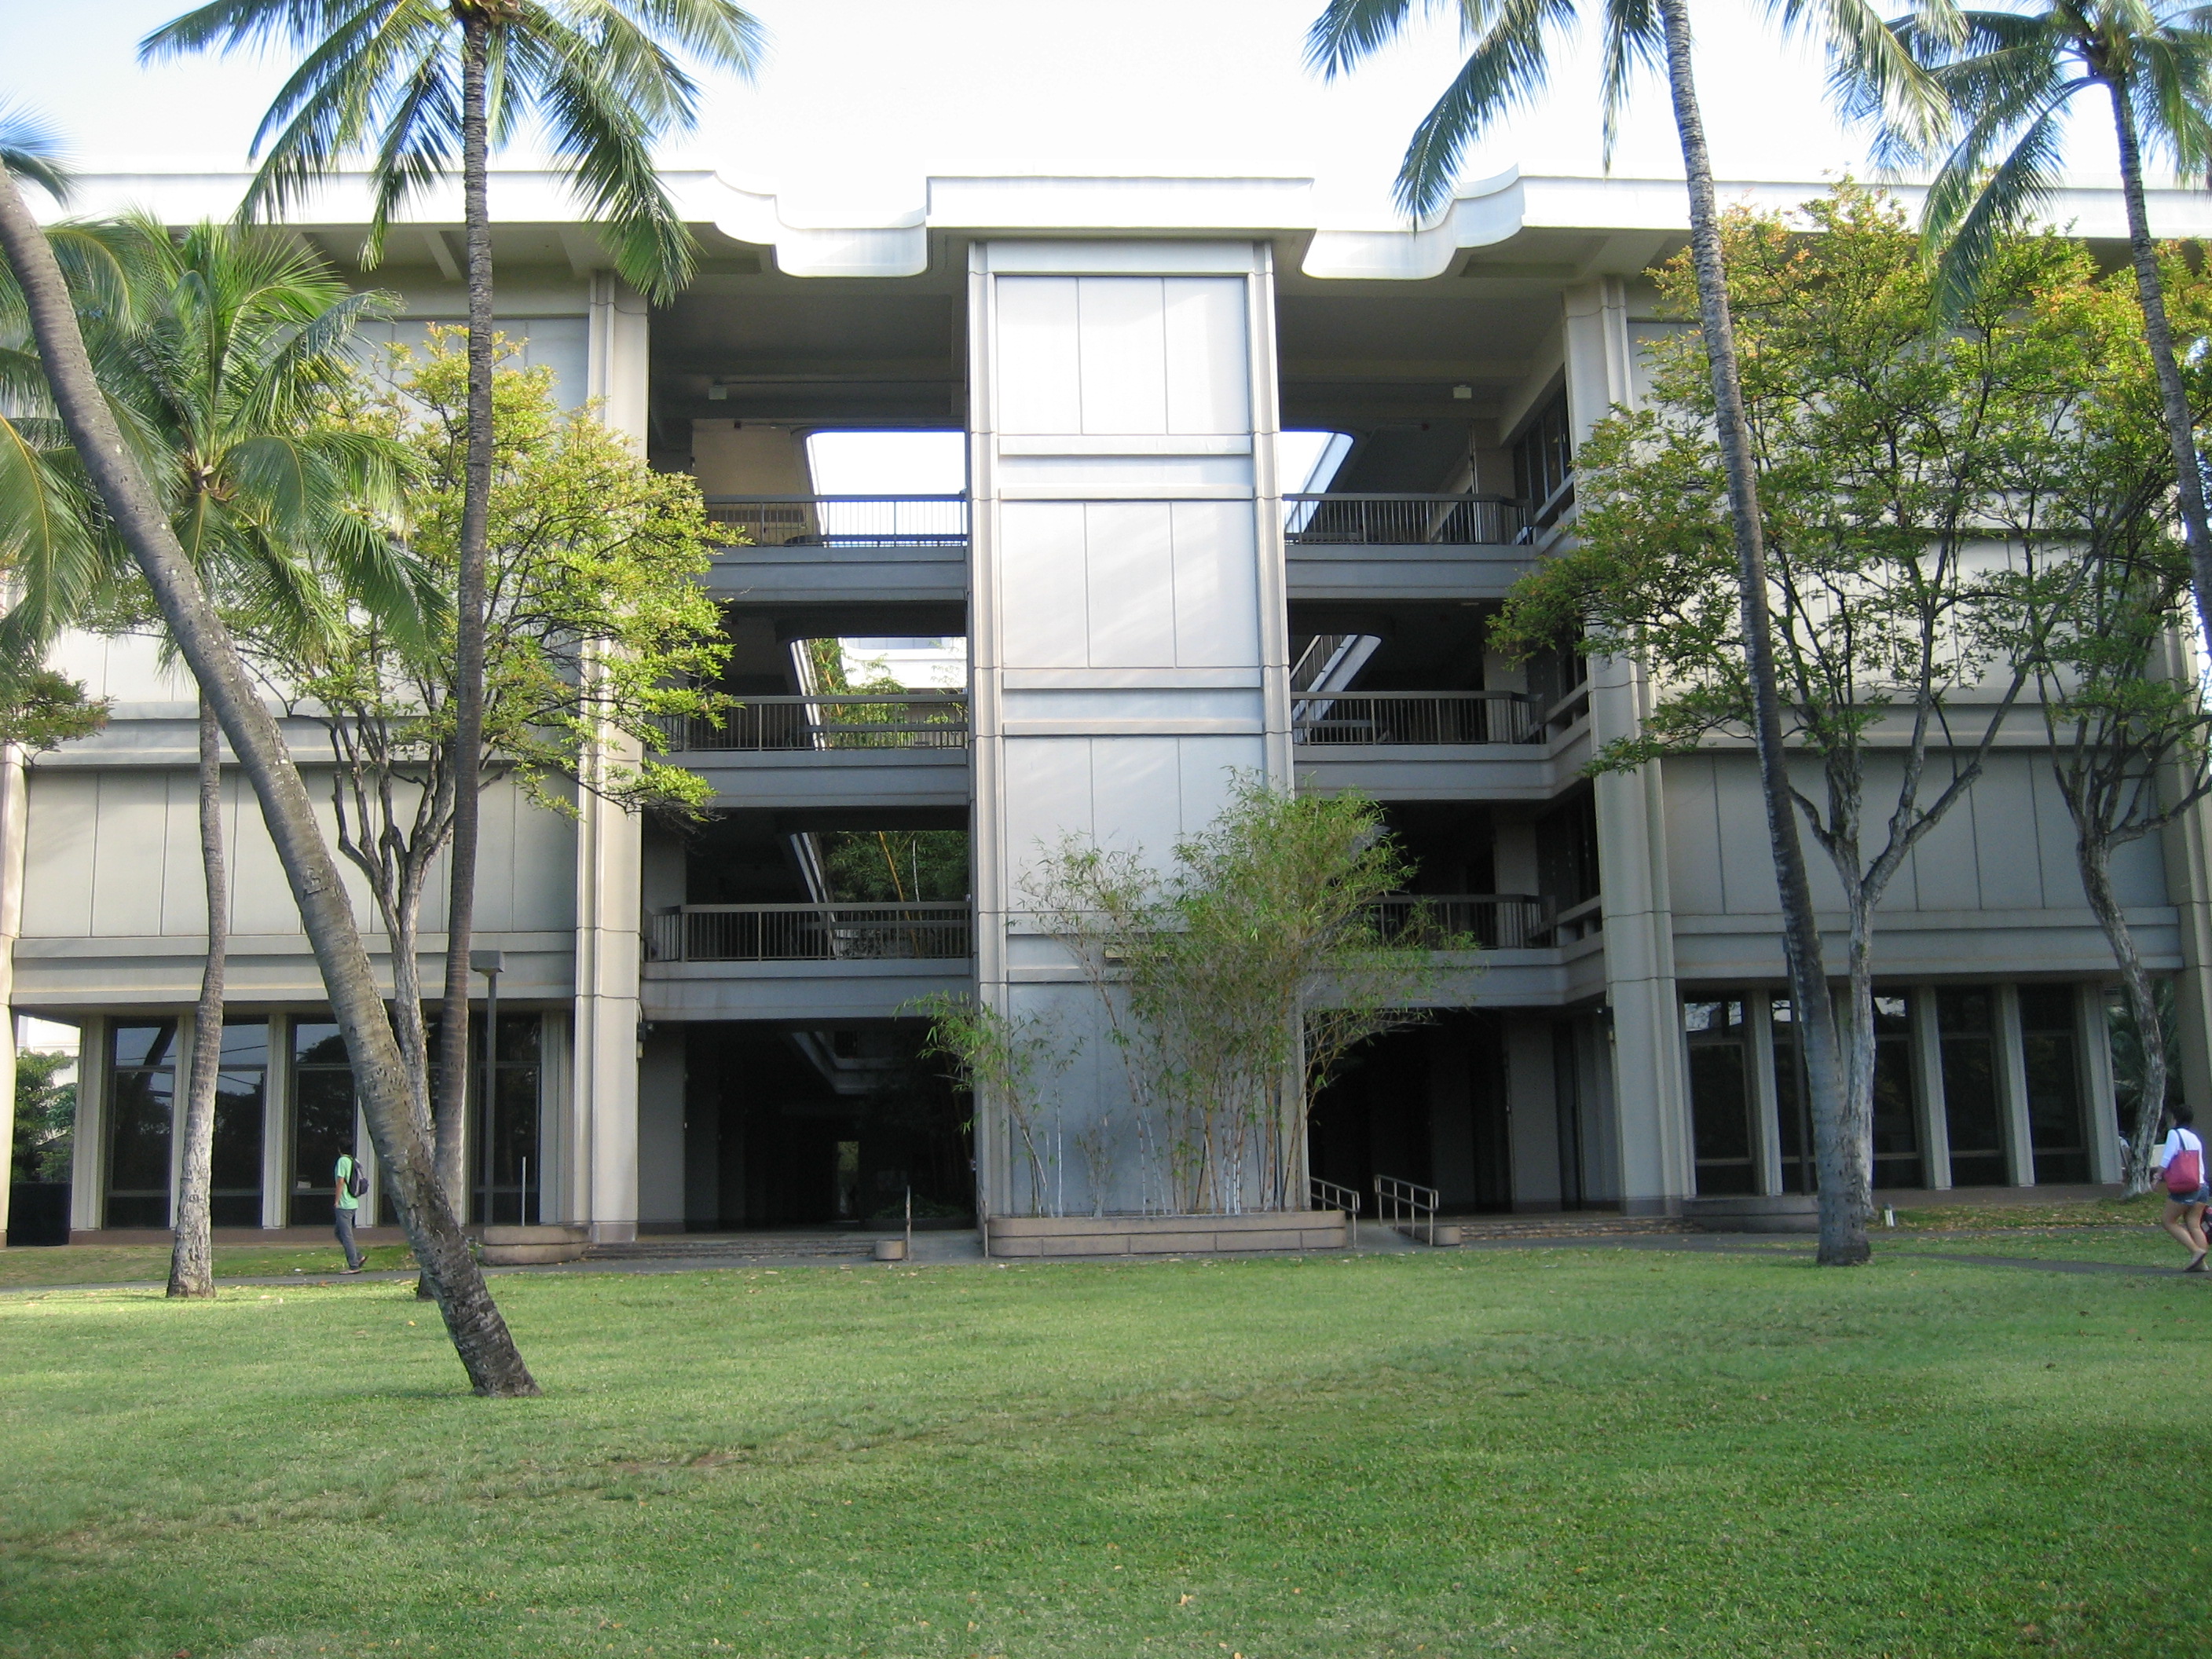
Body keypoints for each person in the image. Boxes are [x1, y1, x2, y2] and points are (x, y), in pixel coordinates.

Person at [2157, 1104, 2209, 1273]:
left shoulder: (2174, 1134)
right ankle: (2201, 1264)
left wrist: (2156, 1176)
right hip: (2202, 1186)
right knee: (2194, 1224)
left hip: (2186, 1187)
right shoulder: (2194, 1137)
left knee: (2168, 1220)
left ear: (2175, 1118)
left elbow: (2167, 1157)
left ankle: (2196, 1252)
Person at [333, 1147, 366, 1274]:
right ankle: (358, 1256)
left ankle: (354, 1265)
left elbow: (340, 1181)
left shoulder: (342, 1161)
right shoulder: (354, 1160)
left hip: (344, 1203)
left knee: (346, 1235)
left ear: (340, 1149)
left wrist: (337, 1200)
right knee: (338, 1232)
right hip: (353, 1202)